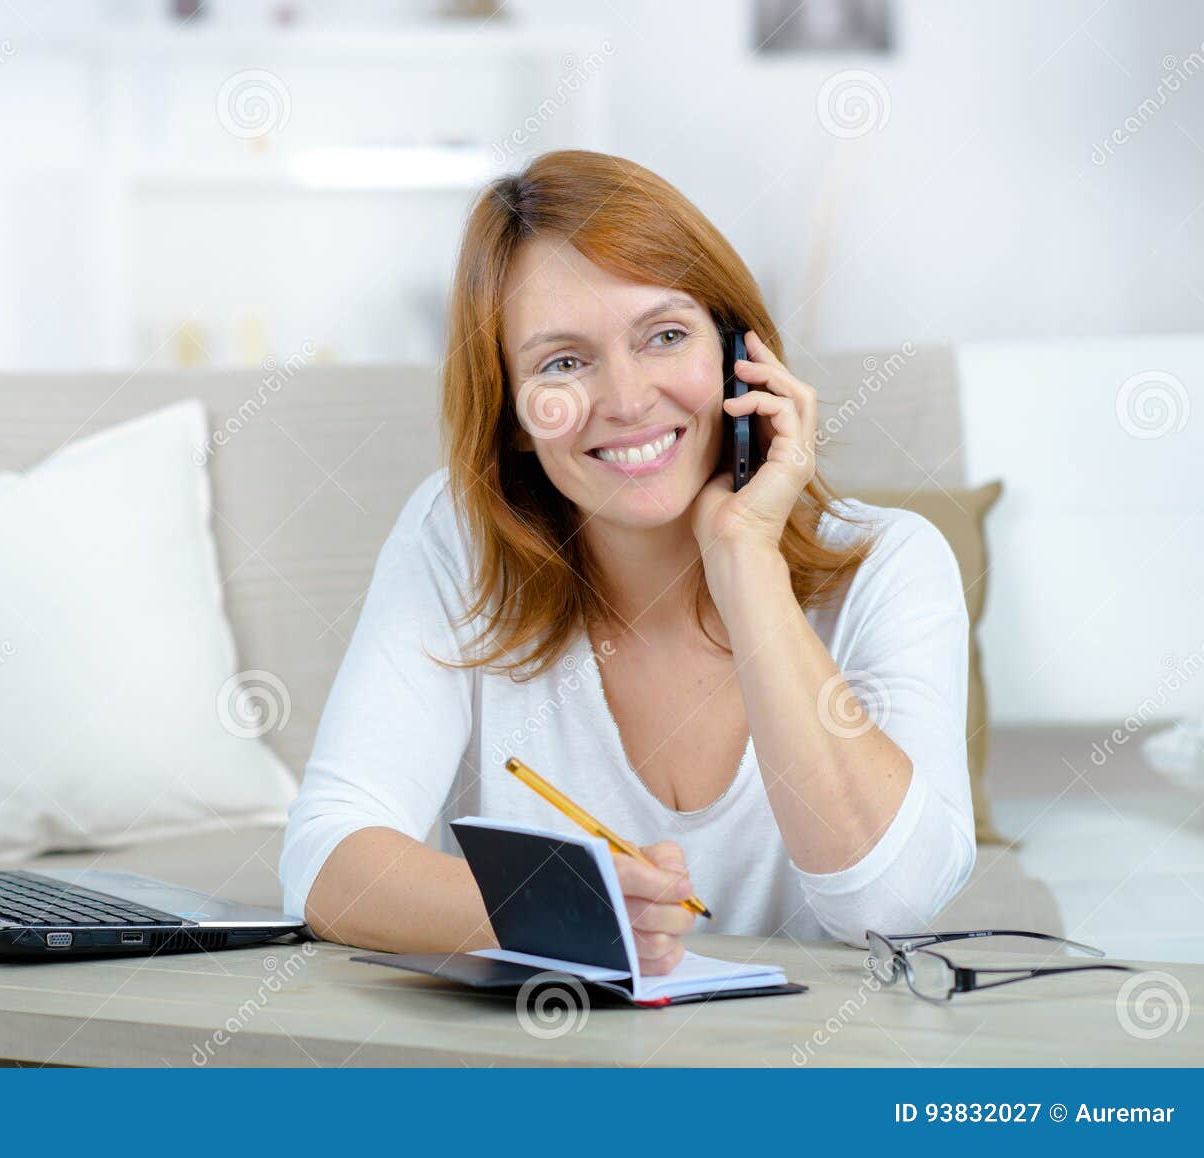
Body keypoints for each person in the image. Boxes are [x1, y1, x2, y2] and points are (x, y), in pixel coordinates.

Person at [280, 150, 975, 974]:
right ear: (511, 415)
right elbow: (324, 864)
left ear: (740, 357)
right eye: (563, 362)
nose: (628, 399)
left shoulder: (889, 564)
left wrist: (745, 560)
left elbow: (887, 905)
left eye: (666, 336)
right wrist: (551, 906)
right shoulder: (458, 540)